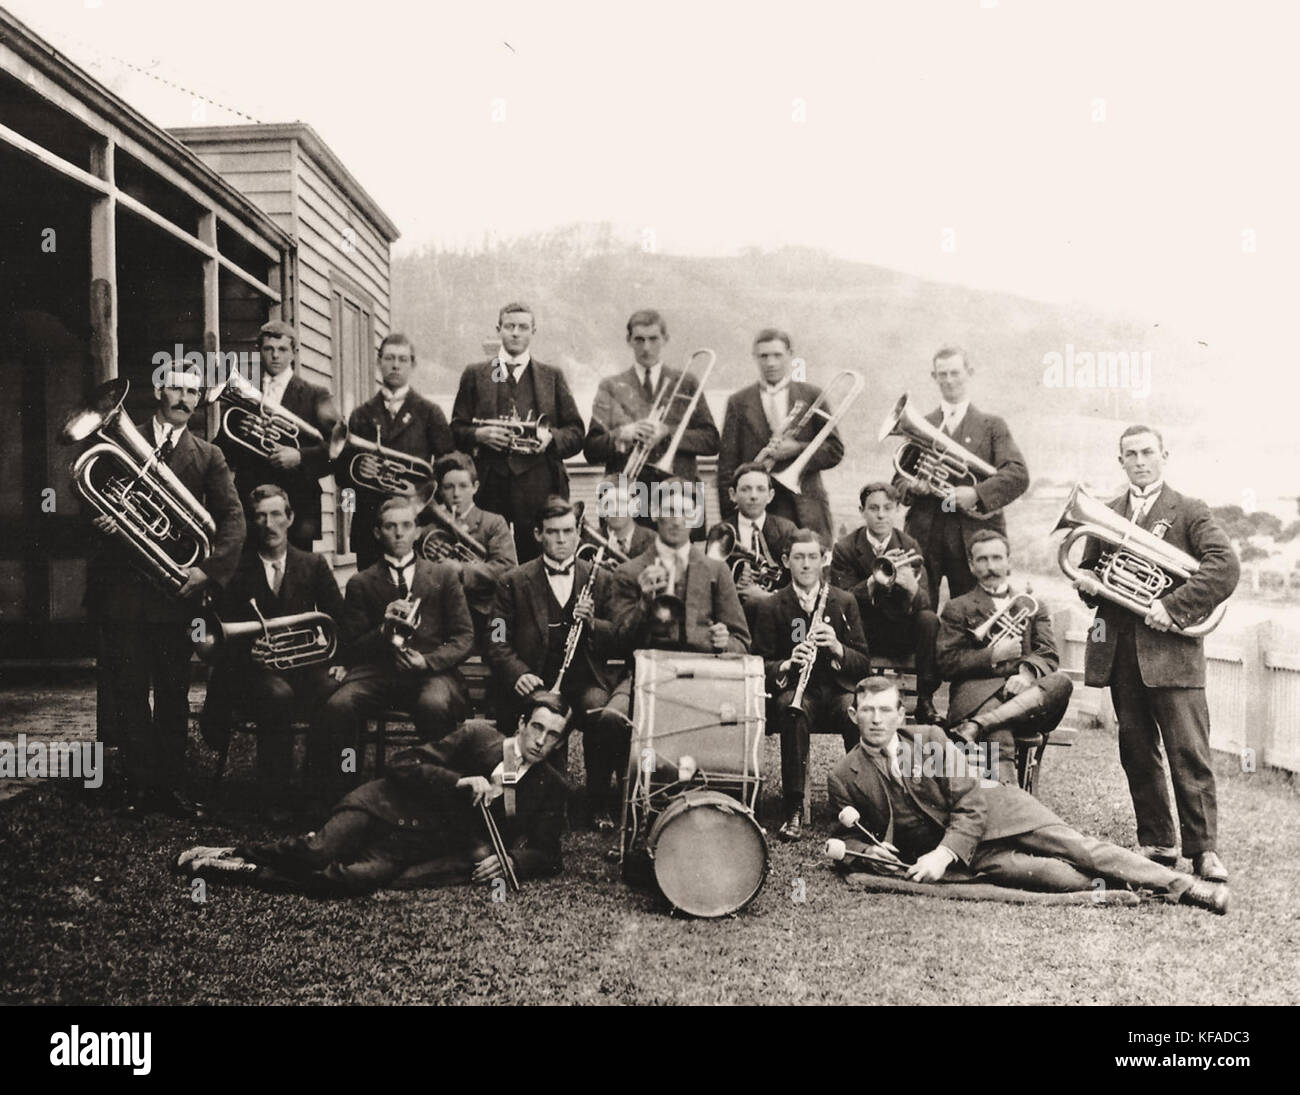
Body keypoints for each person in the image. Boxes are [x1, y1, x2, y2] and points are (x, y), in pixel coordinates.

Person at [826, 677, 1228, 914]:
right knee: (1054, 876)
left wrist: (941, 855)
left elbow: (970, 803)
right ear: (853, 715)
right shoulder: (844, 775)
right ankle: (1122, 888)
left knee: (1081, 849)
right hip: (974, 856)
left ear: (901, 715)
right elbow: (845, 835)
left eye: (884, 711)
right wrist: (868, 850)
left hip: (1000, 812)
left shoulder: (929, 740)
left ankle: (1185, 887)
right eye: (867, 711)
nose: (876, 720)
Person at [185, 694, 574, 896]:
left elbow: (548, 852)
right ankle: (233, 852)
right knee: (318, 851)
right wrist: (457, 780)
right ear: (522, 723)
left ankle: (246, 872)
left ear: (560, 743)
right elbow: (401, 763)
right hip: (383, 804)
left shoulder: (551, 786)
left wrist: (512, 861)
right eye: (537, 727)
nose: (541, 741)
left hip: (413, 845)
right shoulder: (477, 735)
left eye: (553, 735)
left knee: (350, 881)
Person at [1074, 425, 1239, 882]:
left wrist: (1173, 607)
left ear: (1165, 455)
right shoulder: (1105, 513)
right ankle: (1158, 843)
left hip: (1174, 653)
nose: (1141, 460)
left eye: (1148, 452)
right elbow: (1090, 569)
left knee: (1189, 752)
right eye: (1131, 454)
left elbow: (1225, 566)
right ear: (1120, 460)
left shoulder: (1189, 510)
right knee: (1137, 750)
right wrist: (1088, 584)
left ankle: (1204, 850)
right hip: (1123, 654)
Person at [84, 366, 245, 819]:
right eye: (176, 388)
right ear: (158, 390)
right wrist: (101, 519)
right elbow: (86, 493)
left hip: (175, 594)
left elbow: (233, 520)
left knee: (174, 694)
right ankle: (139, 786)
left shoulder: (209, 455)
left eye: (194, 392)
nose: (185, 399)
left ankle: (171, 786)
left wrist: (208, 572)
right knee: (129, 693)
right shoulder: (117, 437)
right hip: (121, 592)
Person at [599, 485, 751, 828]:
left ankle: (720, 800)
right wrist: (643, 603)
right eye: (667, 512)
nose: (675, 520)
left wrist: (725, 641)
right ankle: (613, 801)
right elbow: (619, 641)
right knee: (611, 718)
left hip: (702, 676)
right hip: (647, 673)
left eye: (684, 513)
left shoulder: (716, 570)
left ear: (695, 518)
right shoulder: (629, 571)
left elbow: (743, 640)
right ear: (654, 516)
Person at [199, 484, 347, 821]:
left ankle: (318, 791)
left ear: (290, 518)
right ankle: (274, 796)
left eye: (276, 514)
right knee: (277, 695)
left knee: (334, 693)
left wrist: (340, 661)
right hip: (251, 672)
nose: (269, 523)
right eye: (260, 517)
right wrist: (249, 651)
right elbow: (217, 633)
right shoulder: (236, 570)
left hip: (302, 666)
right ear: (253, 523)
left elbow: (340, 620)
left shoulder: (313, 564)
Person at [317, 496, 473, 795]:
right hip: (379, 673)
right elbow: (352, 647)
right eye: (390, 526)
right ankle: (344, 789)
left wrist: (428, 662)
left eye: (406, 525)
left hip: (431, 673)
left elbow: (464, 637)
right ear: (377, 533)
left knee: (434, 704)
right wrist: (383, 629)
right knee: (339, 706)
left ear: (417, 531)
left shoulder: (443, 575)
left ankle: (435, 791)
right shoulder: (361, 582)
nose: (399, 533)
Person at [485, 497, 624, 823]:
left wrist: (592, 623)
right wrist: (517, 672)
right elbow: (495, 639)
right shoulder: (513, 580)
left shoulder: (600, 578)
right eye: (552, 532)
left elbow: (618, 635)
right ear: (537, 535)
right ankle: (538, 801)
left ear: (578, 533)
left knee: (601, 711)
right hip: (535, 678)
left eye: (567, 531)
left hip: (584, 678)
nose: (561, 539)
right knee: (541, 710)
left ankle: (597, 801)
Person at [751, 528, 869, 841]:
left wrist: (838, 648)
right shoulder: (772, 605)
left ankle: (861, 802)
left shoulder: (843, 602)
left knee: (853, 710)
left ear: (824, 560)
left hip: (836, 693)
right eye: (799, 557)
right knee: (794, 711)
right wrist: (787, 664)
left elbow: (863, 663)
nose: (806, 564)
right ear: (786, 561)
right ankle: (793, 807)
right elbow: (758, 664)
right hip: (796, 692)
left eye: (812, 557)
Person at [450, 302, 586, 562]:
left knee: (538, 560)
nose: (515, 332)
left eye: (523, 327)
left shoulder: (552, 376)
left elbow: (576, 432)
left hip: (539, 484)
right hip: (489, 484)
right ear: (498, 329)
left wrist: (551, 438)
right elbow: (455, 429)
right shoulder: (477, 374)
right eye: (509, 326)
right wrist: (479, 435)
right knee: (485, 556)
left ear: (533, 331)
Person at [936, 530, 1073, 785]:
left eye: (997, 558)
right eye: (983, 559)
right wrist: (992, 655)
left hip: (1026, 701)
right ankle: (1014, 811)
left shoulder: (1033, 605)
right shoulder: (958, 607)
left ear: (1008, 561)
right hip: (978, 697)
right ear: (971, 565)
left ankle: (978, 725)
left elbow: (1048, 654)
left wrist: (1027, 673)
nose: (991, 566)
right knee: (999, 732)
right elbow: (946, 663)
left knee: (1062, 682)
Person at [893, 346, 1028, 603]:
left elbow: (1018, 475)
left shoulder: (992, 425)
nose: (949, 380)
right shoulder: (921, 423)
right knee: (919, 611)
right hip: (925, 533)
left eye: (955, 373)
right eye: (942, 374)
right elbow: (897, 481)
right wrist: (912, 487)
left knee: (975, 612)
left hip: (975, 533)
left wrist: (976, 493)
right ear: (934, 377)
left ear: (969, 373)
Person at [583, 308, 719, 540]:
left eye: (653, 339)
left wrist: (667, 432)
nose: (646, 347)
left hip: (680, 496)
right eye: (639, 340)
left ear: (665, 339)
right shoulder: (610, 386)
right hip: (628, 497)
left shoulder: (686, 382)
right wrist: (622, 433)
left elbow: (711, 441)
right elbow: (591, 450)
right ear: (629, 341)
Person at [216, 320, 337, 551]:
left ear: (294, 353)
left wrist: (300, 456)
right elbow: (222, 448)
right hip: (251, 503)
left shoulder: (315, 395)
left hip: (298, 505)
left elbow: (339, 449)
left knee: (296, 578)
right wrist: (241, 432)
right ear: (259, 350)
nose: (275, 356)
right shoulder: (245, 393)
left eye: (282, 349)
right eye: (268, 349)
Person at [338, 333, 453, 571]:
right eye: (389, 358)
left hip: (414, 523)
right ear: (379, 363)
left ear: (413, 365)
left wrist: (427, 507)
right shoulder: (361, 414)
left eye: (402, 359)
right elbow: (342, 477)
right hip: (370, 524)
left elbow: (447, 468)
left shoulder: (430, 412)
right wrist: (357, 470)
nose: (395, 365)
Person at [716, 328, 844, 543]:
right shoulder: (738, 401)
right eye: (763, 356)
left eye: (777, 355)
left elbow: (835, 450)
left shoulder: (812, 395)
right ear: (755, 358)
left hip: (807, 509)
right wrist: (731, 519)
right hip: (760, 510)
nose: (771, 363)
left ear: (790, 355)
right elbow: (727, 465)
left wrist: (797, 448)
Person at [831, 481, 941, 725]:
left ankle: (925, 700)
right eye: (873, 508)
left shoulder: (909, 544)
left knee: (929, 621)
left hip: (900, 631)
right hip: (864, 632)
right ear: (862, 511)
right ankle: (860, 699)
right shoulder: (845, 548)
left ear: (897, 510)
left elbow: (926, 604)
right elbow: (839, 601)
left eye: (888, 508)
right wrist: (872, 581)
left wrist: (912, 588)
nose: (881, 515)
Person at [417, 451, 517, 645]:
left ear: (475, 487)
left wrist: (461, 569)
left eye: (463, 486)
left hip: (484, 613)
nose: (456, 494)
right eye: (448, 487)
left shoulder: (493, 523)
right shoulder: (428, 531)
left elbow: (507, 568)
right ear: (440, 491)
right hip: (443, 615)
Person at [708, 461, 796, 625]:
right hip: (732, 617)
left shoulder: (787, 530)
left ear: (770, 496)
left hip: (777, 616)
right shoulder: (721, 531)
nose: (753, 495)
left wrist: (768, 597)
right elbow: (711, 581)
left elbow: (796, 583)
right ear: (732, 494)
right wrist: (735, 586)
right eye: (745, 489)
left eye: (760, 489)